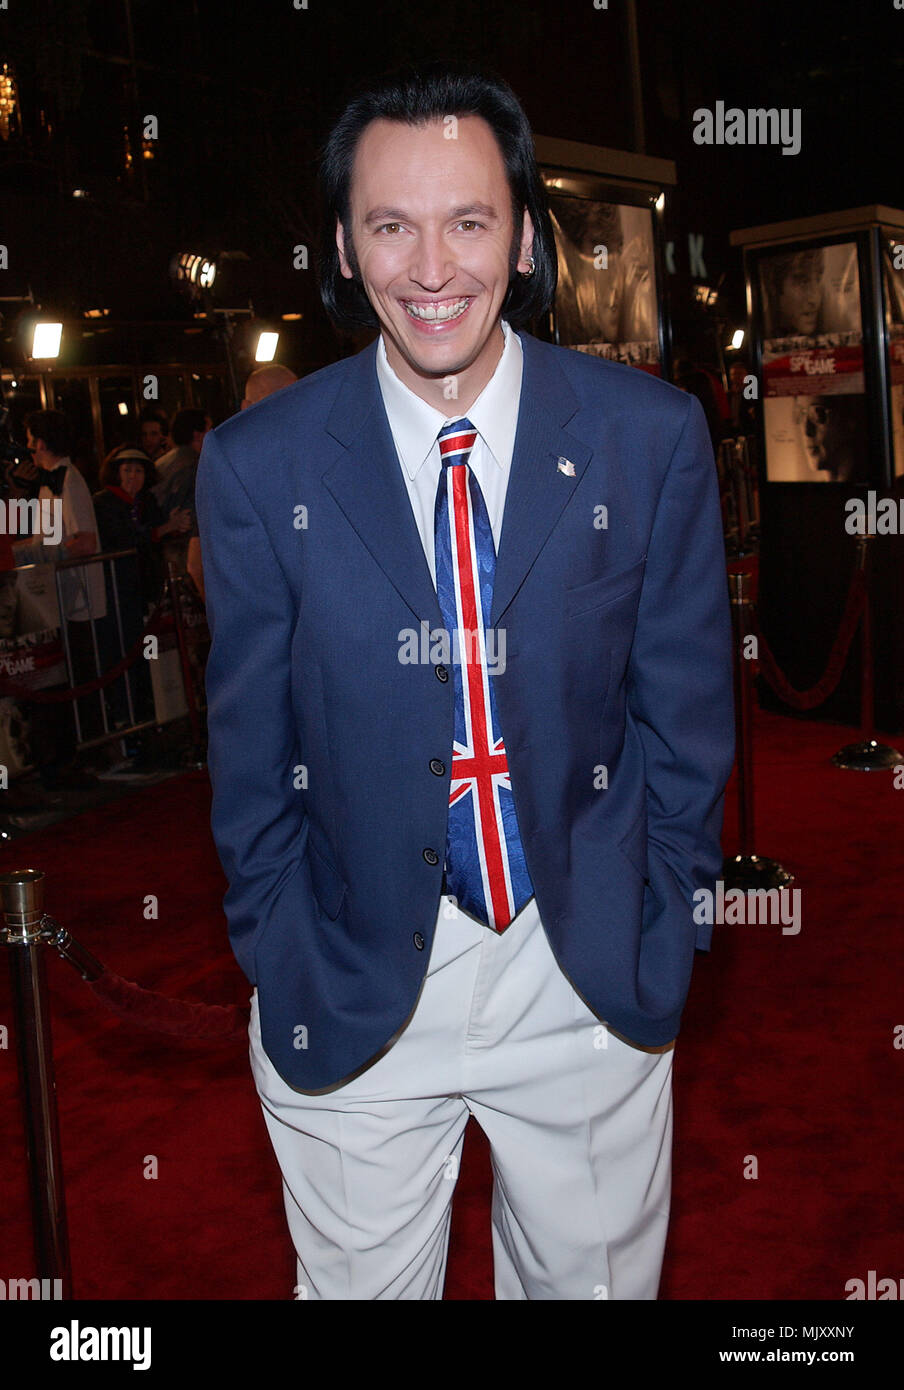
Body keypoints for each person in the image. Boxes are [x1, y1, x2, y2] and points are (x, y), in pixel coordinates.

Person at [196, 63, 735, 1302]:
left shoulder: (643, 439)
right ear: (342, 244)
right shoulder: (255, 464)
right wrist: (285, 944)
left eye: (469, 221)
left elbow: (688, 720)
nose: (431, 267)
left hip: (585, 968)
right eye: (391, 225)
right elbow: (247, 751)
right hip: (354, 972)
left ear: (526, 237)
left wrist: (663, 919)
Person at [12, 409, 107, 785]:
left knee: (84, 678)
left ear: (42, 440)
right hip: (61, 601)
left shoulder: (71, 480)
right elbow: (49, 539)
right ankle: (75, 754)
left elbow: (84, 541)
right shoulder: (52, 482)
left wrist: (33, 554)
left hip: (80, 599)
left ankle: (94, 750)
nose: (29, 448)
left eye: (32, 438)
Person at [93, 445, 192, 728]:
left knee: (149, 651)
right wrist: (163, 529)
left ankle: (153, 712)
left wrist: (177, 523)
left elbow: (161, 525)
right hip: (117, 591)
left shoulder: (146, 500)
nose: (132, 477)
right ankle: (126, 718)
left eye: (138, 471)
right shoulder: (104, 503)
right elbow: (123, 538)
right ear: (116, 473)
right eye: (127, 471)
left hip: (146, 589)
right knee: (122, 652)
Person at [152, 408, 210, 579]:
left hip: (165, 547)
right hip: (182, 551)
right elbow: (191, 513)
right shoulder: (193, 465)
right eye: (209, 430)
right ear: (198, 435)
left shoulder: (163, 462)